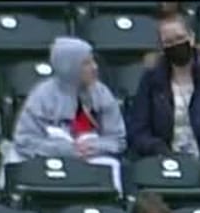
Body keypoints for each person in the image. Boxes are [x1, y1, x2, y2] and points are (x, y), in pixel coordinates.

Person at [9, 36, 127, 194]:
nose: (95, 67)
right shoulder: (42, 96)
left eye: (93, 61)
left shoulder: (102, 93)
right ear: (69, 67)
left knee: (112, 166)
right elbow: (24, 141)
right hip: (48, 160)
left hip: (89, 160)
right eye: (87, 63)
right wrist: (66, 149)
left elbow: (117, 140)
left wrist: (95, 146)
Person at [126, 14, 200, 161]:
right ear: (161, 47)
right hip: (164, 162)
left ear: (192, 37)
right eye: (169, 42)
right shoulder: (151, 80)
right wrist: (159, 150)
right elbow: (138, 130)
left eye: (180, 38)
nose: (176, 45)